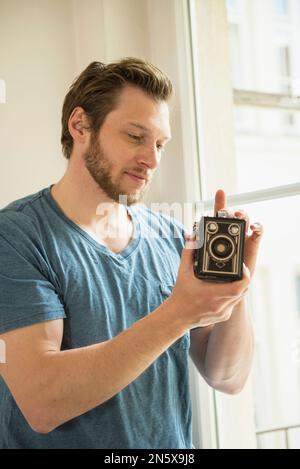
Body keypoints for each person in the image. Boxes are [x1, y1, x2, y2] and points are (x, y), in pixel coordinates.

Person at [0, 58, 263, 449]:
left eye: (159, 144)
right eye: (135, 137)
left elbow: (226, 377)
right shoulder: (18, 236)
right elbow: (42, 402)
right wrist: (180, 312)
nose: (152, 160)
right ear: (80, 126)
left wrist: (232, 291)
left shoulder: (174, 239)